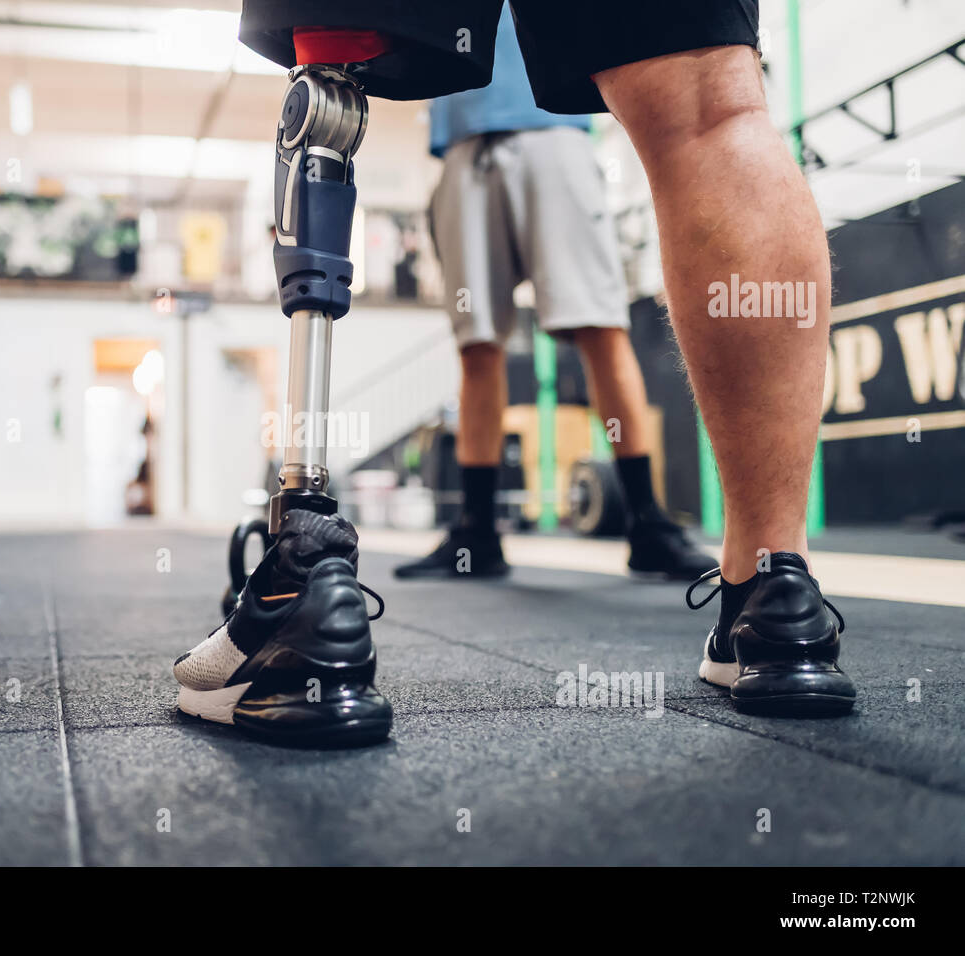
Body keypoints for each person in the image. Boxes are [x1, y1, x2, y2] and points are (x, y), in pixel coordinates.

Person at [173, 1, 856, 745]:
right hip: (469, 143)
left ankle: (301, 582)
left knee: (331, 61)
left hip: (548, 139)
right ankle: (771, 588)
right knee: (711, 109)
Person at [394, 5, 715, 583]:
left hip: (557, 128)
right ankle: (477, 532)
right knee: (477, 345)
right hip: (463, 145)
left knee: (598, 327)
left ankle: (647, 522)